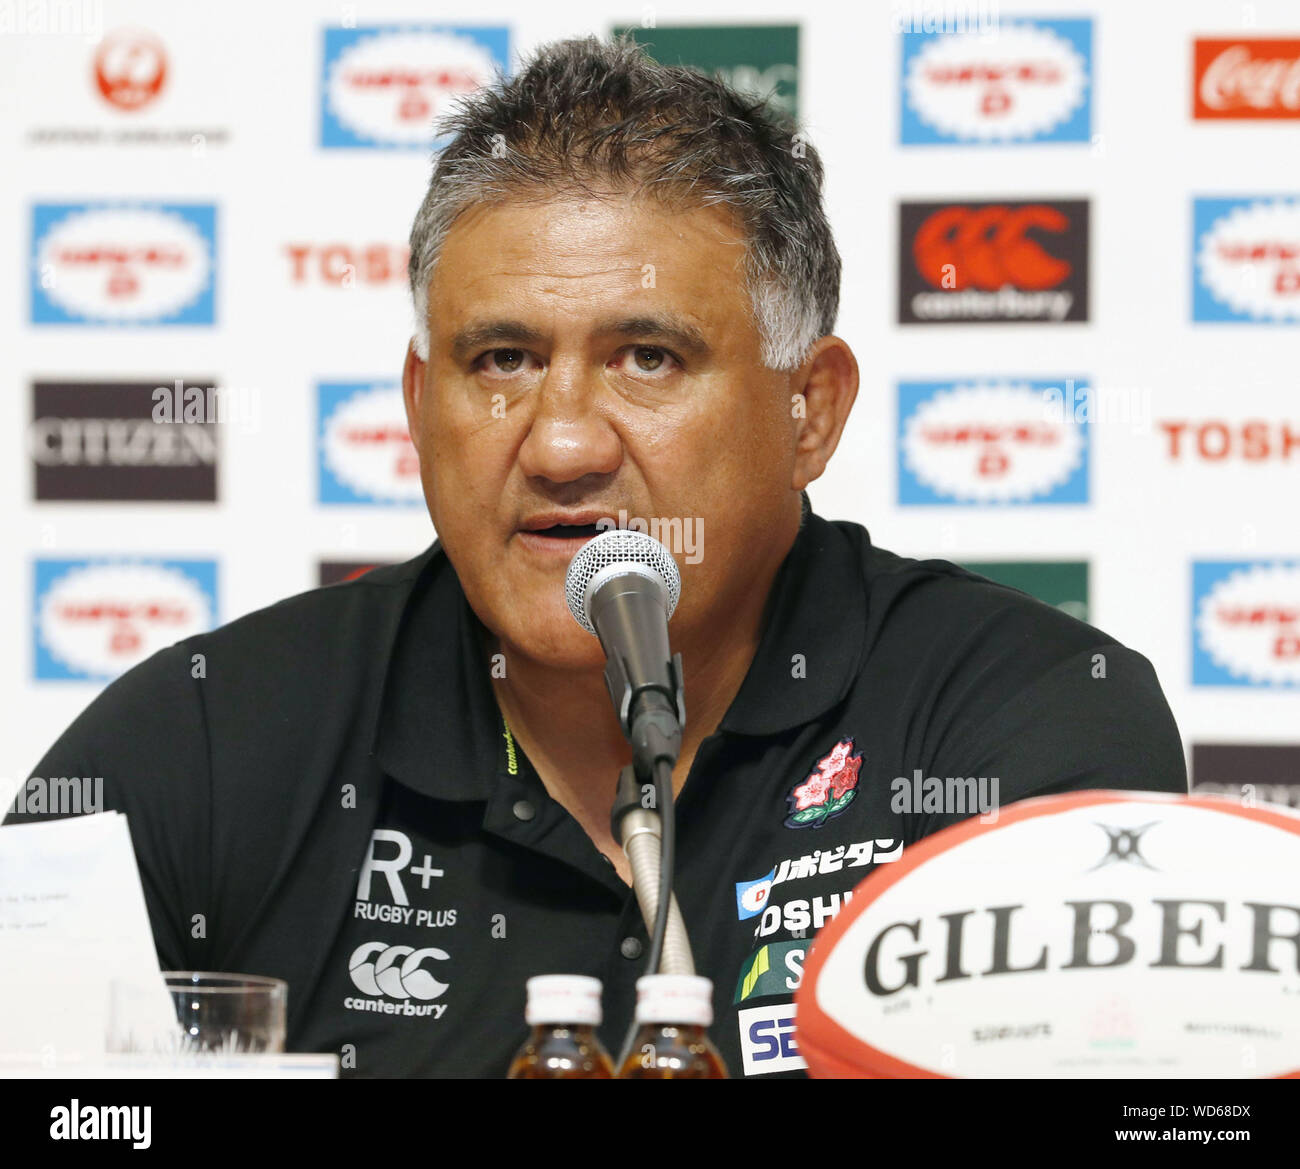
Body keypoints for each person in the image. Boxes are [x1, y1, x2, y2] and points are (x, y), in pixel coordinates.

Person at [5, 34, 1186, 1078]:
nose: (562, 443)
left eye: (647, 358)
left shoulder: (1014, 722)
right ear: (418, 404)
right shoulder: (215, 736)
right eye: (502, 360)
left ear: (808, 411)